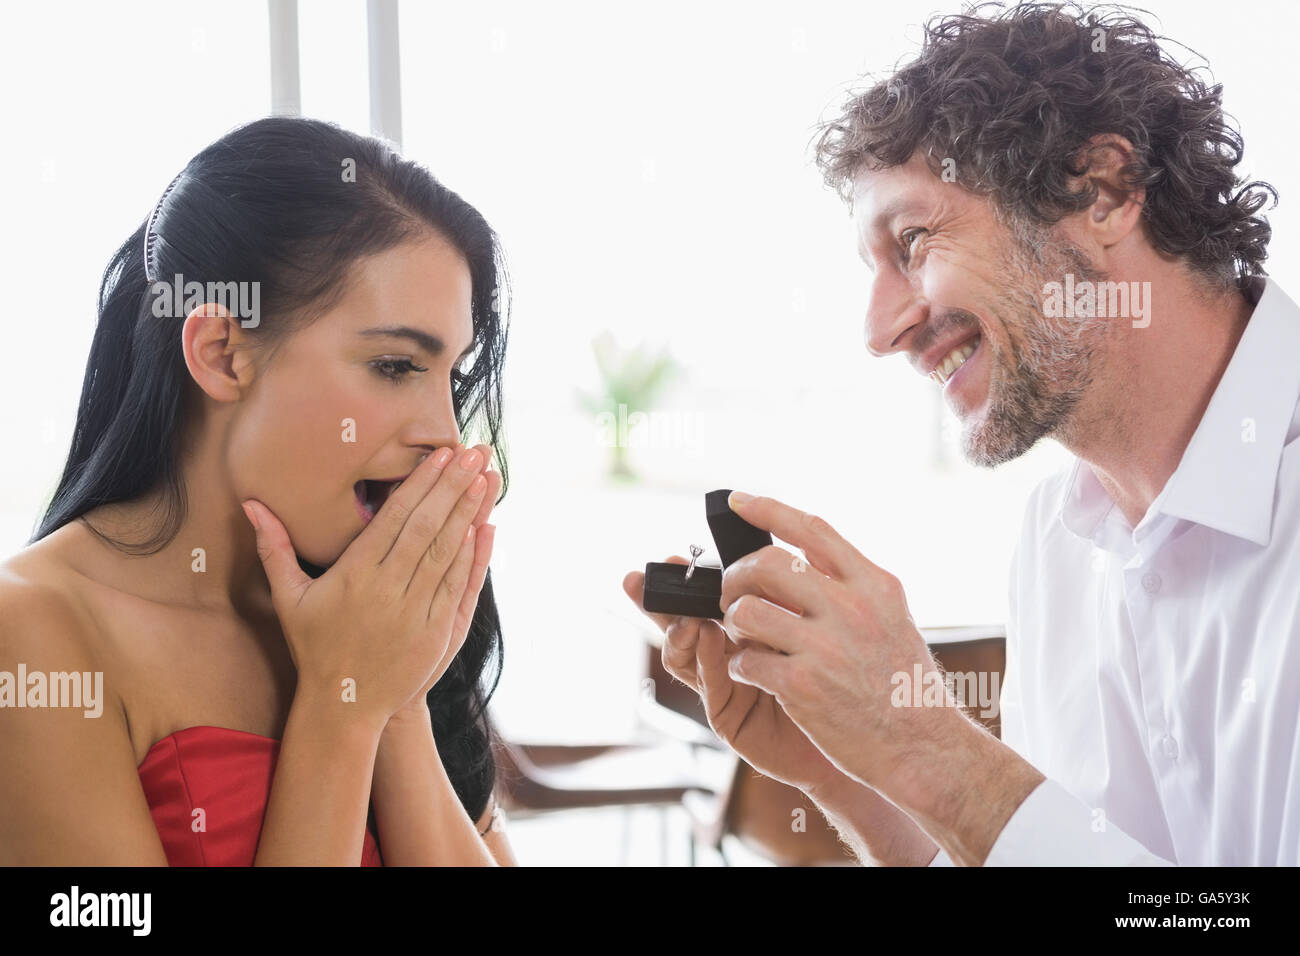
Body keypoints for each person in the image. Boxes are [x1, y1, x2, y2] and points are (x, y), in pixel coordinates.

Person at [625, 1, 1299, 865]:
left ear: (1102, 192)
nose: (880, 331)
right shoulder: (1059, 538)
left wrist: (931, 752)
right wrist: (852, 773)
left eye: (913, 240)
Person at [0, 116, 517, 865]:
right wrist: (341, 707)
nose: (445, 433)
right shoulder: (31, 636)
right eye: (397, 366)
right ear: (221, 353)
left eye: (452, 377)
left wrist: (398, 702)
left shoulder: (381, 617)